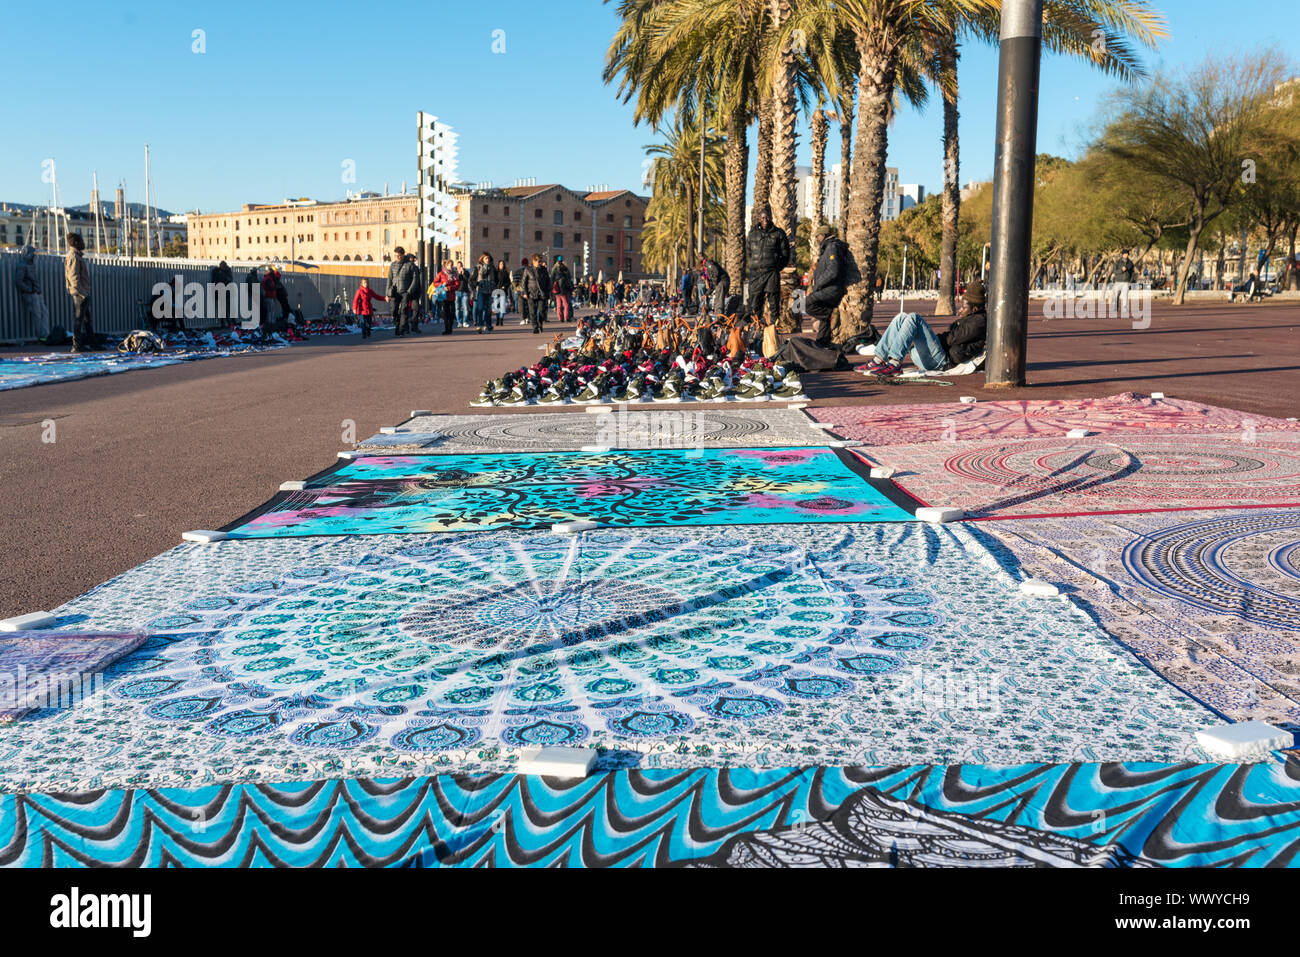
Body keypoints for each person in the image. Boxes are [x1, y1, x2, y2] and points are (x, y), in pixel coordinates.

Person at [866, 278, 987, 377]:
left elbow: (951, 339)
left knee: (914, 318)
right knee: (902, 317)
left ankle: (895, 363)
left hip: (942, 362)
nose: (960, 310)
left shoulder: (978, 322)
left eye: (963, 307)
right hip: (931, 358)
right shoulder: (971, 318)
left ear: (974, 309)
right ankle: (878, 359)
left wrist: (930, 338)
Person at [805, 224, 857, 347]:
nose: (816, 240)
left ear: (823, 235)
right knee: (824, 319)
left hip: (832, 289)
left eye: (817, 237)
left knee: (807, 303)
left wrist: (818, 285)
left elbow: (833, 271)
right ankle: (822, 343)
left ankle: (830, 314)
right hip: (829, 289)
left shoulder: (832, 247)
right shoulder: (828, 248)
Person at [746, 203, 790, 325]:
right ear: (759, 219)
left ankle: (774, 329)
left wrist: (776, 267)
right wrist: (755, 265)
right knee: (754, 304)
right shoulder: (752, 234)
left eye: (767, 217)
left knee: (774, 304)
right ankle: (755, 328)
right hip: (756, 274)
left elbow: (785, 254)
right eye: (762, 218)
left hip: (772, 274)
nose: (765, 220)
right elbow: (748, 252)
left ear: (771, 217)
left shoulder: (779, 233)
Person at [64, 232, 98, 352]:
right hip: (79, 293)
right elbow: (74, 277)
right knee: (79, 319)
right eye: (82, 241)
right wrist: (83, 293)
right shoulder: (73, 256)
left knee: (87, 319)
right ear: (77, 243)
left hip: (82, 292)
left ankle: (92, 343)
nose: (84, 243)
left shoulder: (76, 255)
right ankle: (77, 345)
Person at [15, 245, 51, 342]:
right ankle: (42, 337)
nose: (34, 255)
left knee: (44, 313)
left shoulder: (31, 264)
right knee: (38, 315)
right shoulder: (22, 265)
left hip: (37, 292)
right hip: (31, 294)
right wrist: (29, 289)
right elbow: (19, 281)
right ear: (27, 254)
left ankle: (46, 335)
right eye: (32, 253)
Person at [387, 247, 418, 336]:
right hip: (395, 291)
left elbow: (415, 279)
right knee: (394, 310)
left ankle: (401, 329)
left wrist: (409, 291)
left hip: (405, 292)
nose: (398, 257)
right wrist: (387, 293)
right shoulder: (393, 265)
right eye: (396, 256)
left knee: (404, 310)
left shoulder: (410, 265)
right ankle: (397, 325)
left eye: (399, 256)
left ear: (403, 255)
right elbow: (389, 279)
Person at [430, 260, 458, 334]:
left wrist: (449, 288)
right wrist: (442, 284)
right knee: (445, 313)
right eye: (449, 265)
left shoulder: (455, 274)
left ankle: (450, 327)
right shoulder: (441, 273)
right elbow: (435, 283)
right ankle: (446, 328)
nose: (451, 267)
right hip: (443, 296)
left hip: (451, 296)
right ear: (446, 265)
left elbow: (457, 285)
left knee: (452, 312)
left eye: (452, 265)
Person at [472, 252, 496, 334]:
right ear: (482, 259)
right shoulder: (478, 267)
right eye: (486, 258)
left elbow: (496, 278)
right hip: (481, 291)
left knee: (488, 310)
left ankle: (487, 325)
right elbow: (471, 279)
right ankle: (480, 325)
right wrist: (477, 284)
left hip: (490, 291)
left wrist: (495, 285)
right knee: (480, 308)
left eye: (488, 258)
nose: (487, 260)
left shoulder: (492, 268)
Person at [524, 255, 548, 334]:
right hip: (531, 293)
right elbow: (524, 282)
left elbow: (548, 281)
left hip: (541, 293)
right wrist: (525, 292)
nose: (540, 263)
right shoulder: (528, 269)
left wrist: (548, 291)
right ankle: (534, 326)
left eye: (541, 261)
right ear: (534, 261)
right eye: (538, 261)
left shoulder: (544, 270)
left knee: (541, 310)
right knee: (532, 311)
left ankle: (540, 324)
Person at [550, 254, 574, 324]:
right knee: (566, 304)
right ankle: (566, 317)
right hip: (564, 290)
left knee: (559, 305)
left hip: (557, 290)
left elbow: (551, 279)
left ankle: (560, 318)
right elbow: (569, 278)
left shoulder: (554, 269)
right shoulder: (565, 269)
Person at [1112, 249, 1135, 314]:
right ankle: (1115, 308)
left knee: (1125, 296)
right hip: (1118, 281)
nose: (1126, 255)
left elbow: (1132, 273)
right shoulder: (1117, 262)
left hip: (1126, 282)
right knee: (1116, 296)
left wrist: (1130, 281)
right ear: (1122, 254)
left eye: (1127, 254)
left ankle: (1124, 310)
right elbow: (1114, 271)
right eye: (1125, 254)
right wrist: (1121, 270)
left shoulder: (1130, 263)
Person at [454, 261, 472, 328]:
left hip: (465, 292)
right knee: (457, 308)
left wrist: (463, 273)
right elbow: (456, 280)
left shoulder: (466, 272)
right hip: (457, 292)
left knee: (466, 308)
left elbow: (467, 280)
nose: (459, 267)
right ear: (456, 267)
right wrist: (459, 274)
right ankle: (459, 322)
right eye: (458, 266)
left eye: (461, 266)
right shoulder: (455, 273)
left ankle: (465, 322)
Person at [494, 259, 511, 326]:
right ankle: (497, 319)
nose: (502, 265)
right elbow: (494, 281)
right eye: (500, 264)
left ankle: (501, 319)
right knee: (496, 307)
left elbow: (508, 282)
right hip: (496, 290)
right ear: (498, 265)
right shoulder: (495, 272)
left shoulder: (506, 273)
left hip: (503, 291)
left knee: (503, 306)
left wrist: (505, 286)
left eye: (503, 264)